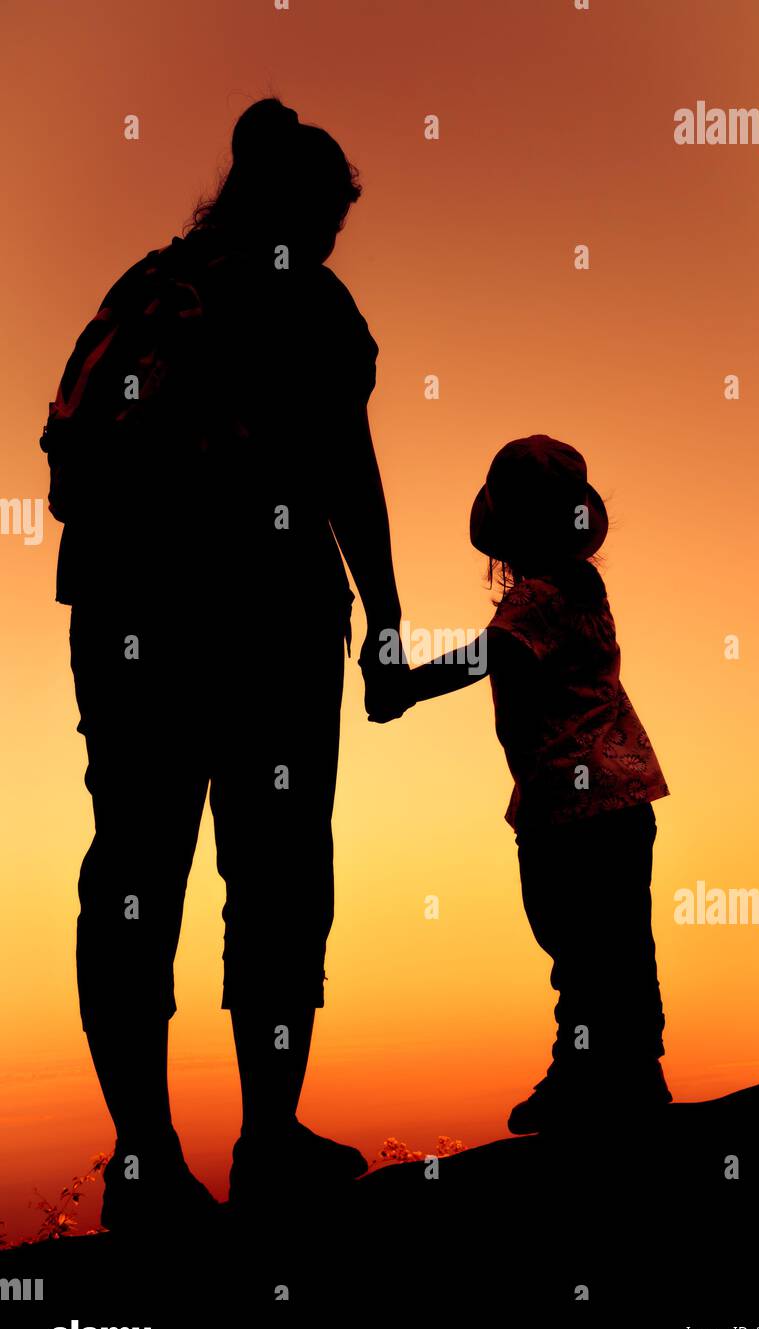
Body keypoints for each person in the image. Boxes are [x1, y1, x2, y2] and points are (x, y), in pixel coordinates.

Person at [40, 98, 407, 1227]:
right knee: (280, 881)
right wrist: (386, 629)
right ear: (303, 210)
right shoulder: (312, 301)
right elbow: (347, 471)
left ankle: (141, 1157)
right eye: (331, 221)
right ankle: (267, 1139)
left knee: (136, 872)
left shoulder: (145, 284)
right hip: (268, 625)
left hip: (126, 624)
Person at [372, 435, 672, 1132]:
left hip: (570, 803)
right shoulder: (585, 589)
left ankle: (583, 1067)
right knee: (621, 938)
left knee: (573, 942)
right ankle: (635, 1067)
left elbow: (488, 656)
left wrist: (408, 687)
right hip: (622, 794)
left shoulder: (536, 600)